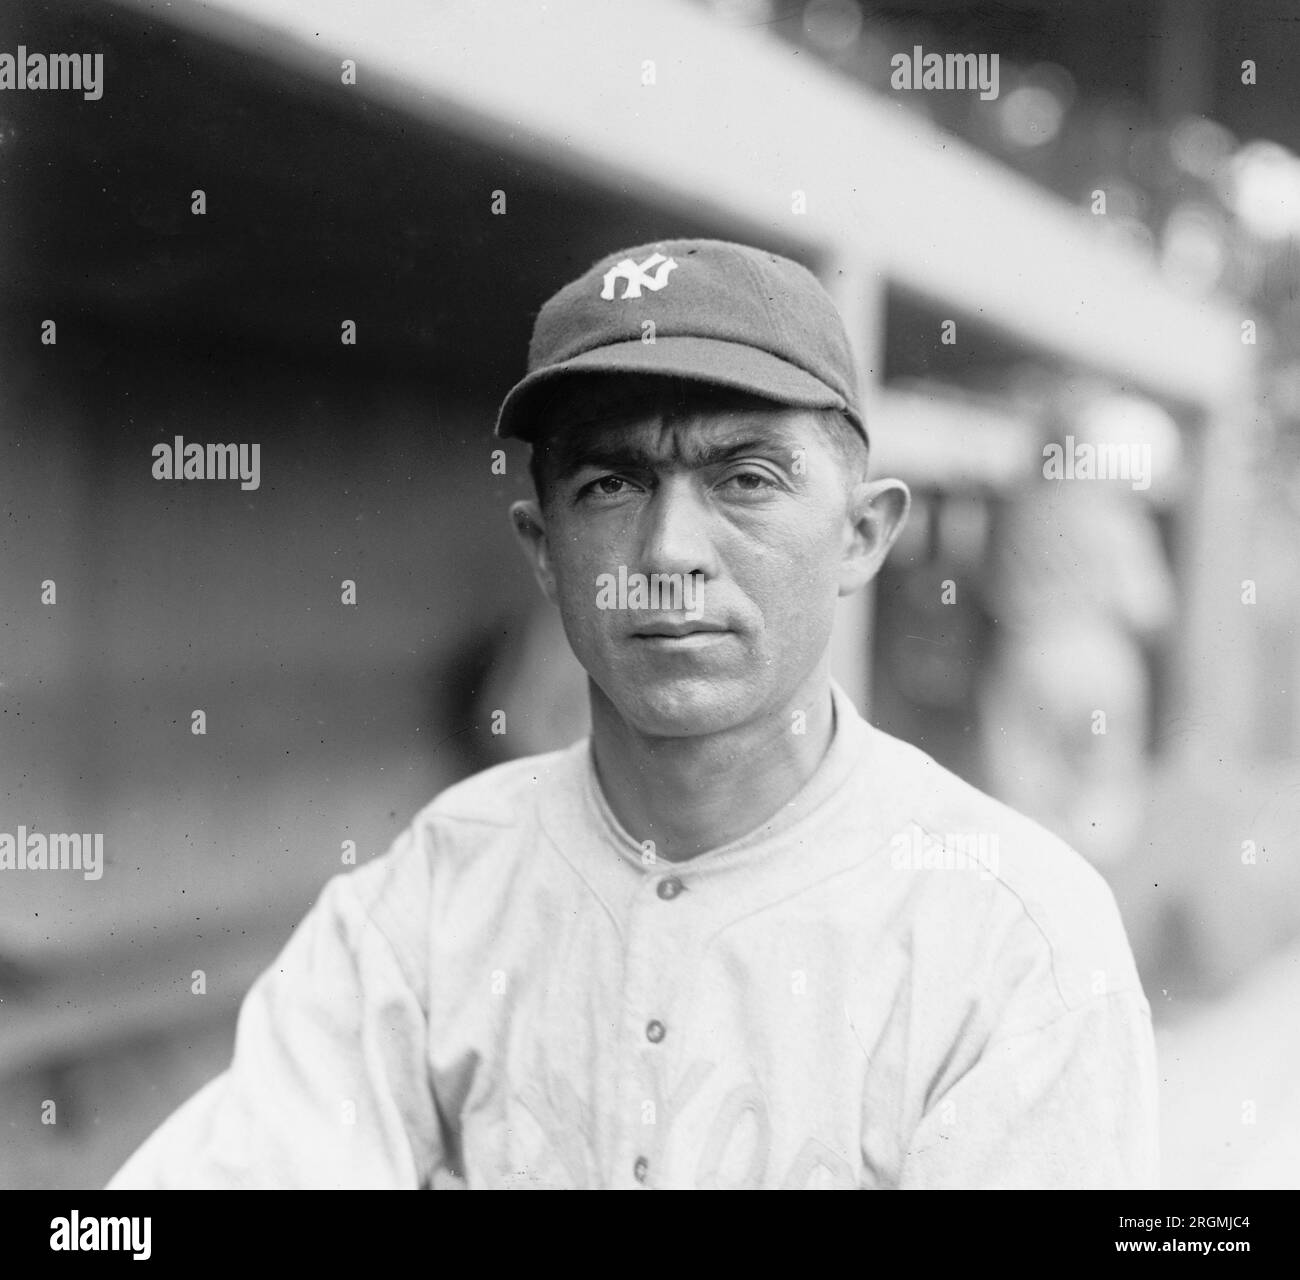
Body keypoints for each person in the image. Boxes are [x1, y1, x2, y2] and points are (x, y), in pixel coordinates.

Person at [108, 238, 1158, 1190]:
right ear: (541, 546)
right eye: (612, 484)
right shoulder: (438, 888)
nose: (668, 554)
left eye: (745, 477)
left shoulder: (1012, 928)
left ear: (861, 534)